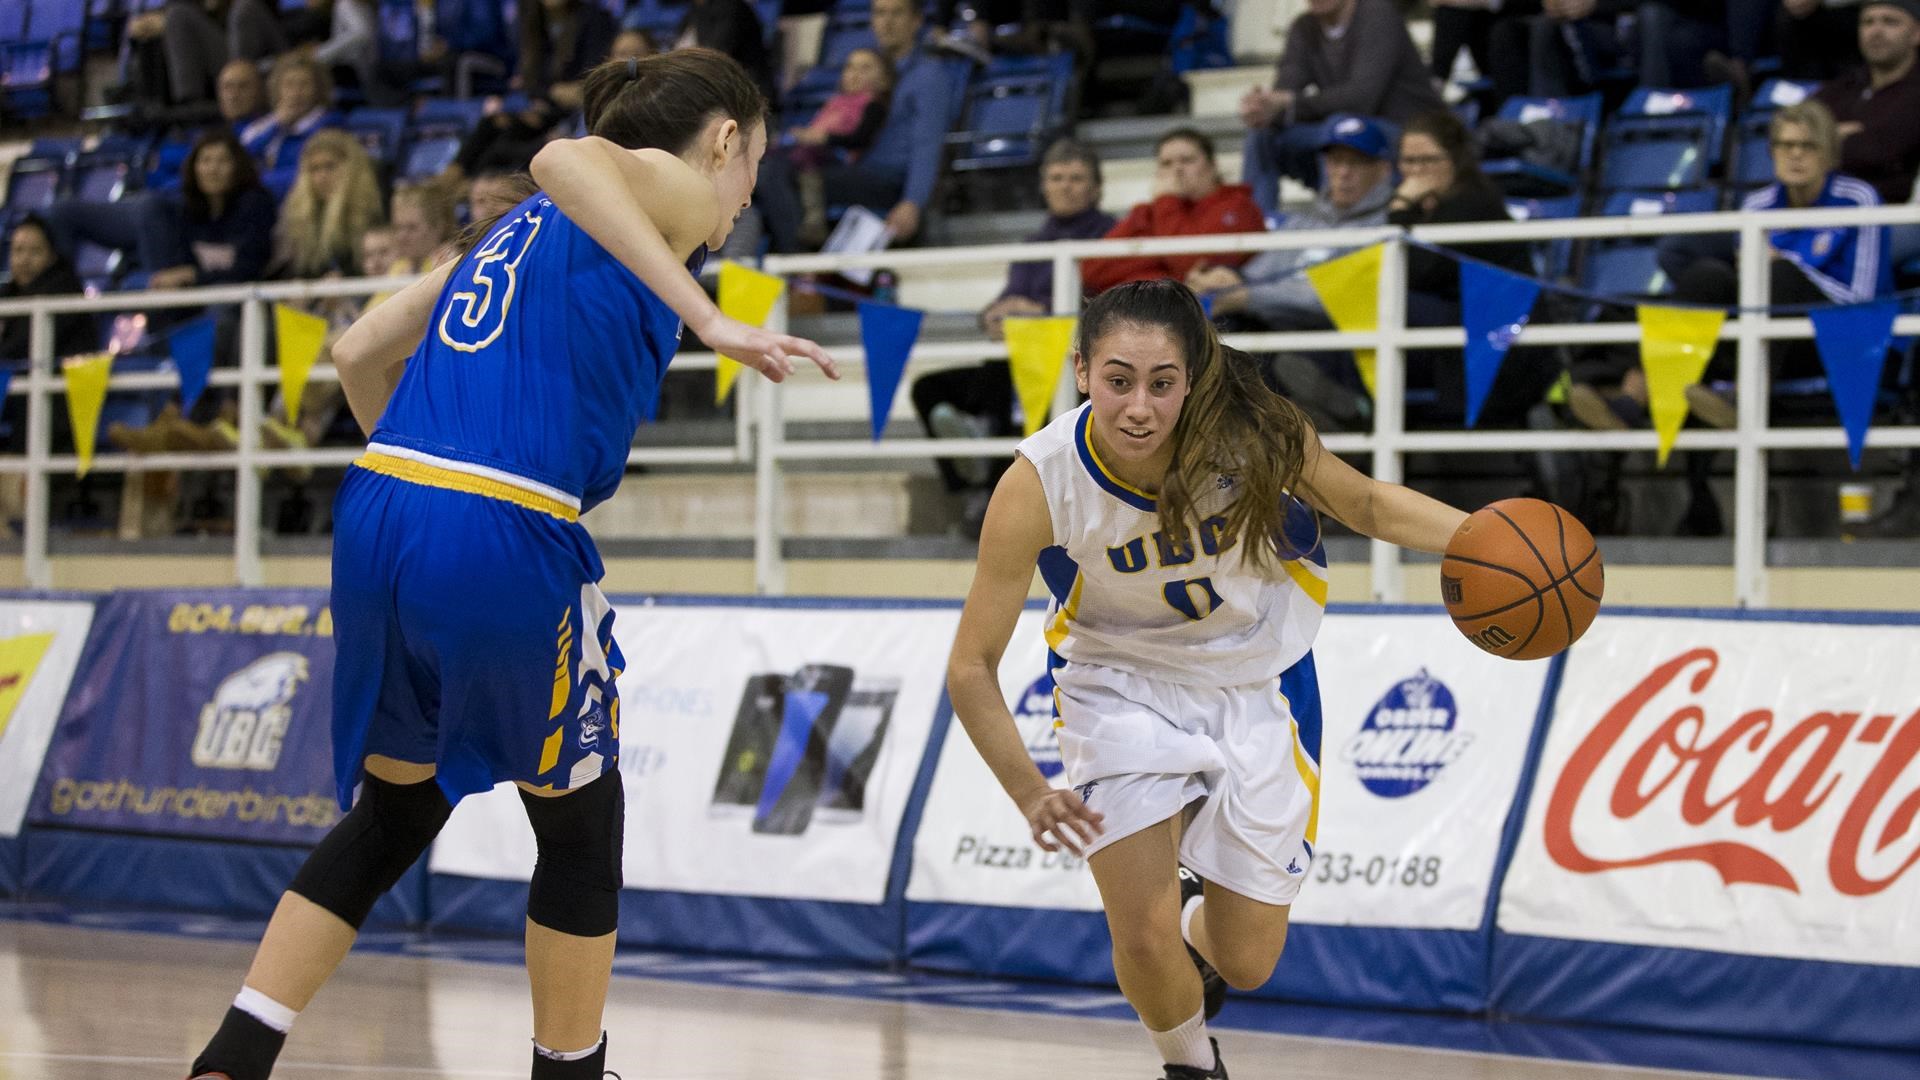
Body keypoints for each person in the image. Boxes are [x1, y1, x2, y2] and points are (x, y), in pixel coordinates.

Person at [183, 48, 835, 1080]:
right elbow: (563, 158)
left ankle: (236, 1052)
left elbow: (357, 352)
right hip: (499, 519)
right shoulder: (653, 179)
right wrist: (707, 319)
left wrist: (421, 487)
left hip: (381, 502)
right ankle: (569, 1073)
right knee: (581, 828)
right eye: (752, 166)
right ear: (722, 142)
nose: (747, 198)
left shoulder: (513, 240)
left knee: (399, 810)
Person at [945, 278, 1466, 1080]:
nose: (1140, 408)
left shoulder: (1254, 434)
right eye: (1118, 380)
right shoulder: (1040, 481)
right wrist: (1028, 791)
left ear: (1192, 378)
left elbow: (1367, 505)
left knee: (1249, 961)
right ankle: (1191, 1064)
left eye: (1162, 383)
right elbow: (970, 665)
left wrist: (1484, 538)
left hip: (1258, 678)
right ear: (1082, 370)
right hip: (1115, 682)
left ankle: (1198, 924)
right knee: (1139, 929)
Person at [912, 138, 1115, 535]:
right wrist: (993, 317)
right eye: (1056, 178)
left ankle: (988, 484)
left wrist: (1044, 313)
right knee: (927, 388)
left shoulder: (1112, 237)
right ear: (1043, 185)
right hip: (1016, 360)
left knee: (1000, 376)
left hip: (1069, 365)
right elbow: (1004, 302)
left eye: (1076, 178)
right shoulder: (1032, 244)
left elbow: (1113, 309)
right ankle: (972, 478)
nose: (1066, 186)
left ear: (1096, 188)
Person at [1184, 115, 1395, 430]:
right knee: (1229, 335)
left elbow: (1331, 298)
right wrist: (1223, 280)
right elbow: (1258, 273)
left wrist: (1248, 295)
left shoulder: (1388, 228)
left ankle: (1340, 411)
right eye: (1336, 161)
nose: (1343, 172)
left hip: (1337, 340)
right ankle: (1312, 415)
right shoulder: (1302, 223)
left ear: (1382, 170)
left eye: (1357, 163)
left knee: (1275, 352)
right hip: (1279, 334)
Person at [753, 0, 958, 251]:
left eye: (897, 13)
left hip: (886, 180)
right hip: (852, 171)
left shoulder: (928, 75)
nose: (887, 22)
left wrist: (913, 202)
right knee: (768, 171)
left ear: (916, 21)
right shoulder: (870, 71)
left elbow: (928, 144)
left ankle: (798, 267)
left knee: (779, 175)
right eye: (880, 13)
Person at [1238, 0, 1442, 219]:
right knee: (1263, 134)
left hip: (1406, 131)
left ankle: (1333, 226)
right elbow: (1286, 90)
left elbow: (1362, 98)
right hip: (1343, 126)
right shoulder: (1304, 27)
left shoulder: (1378, 14)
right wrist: (1263, 106)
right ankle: (1255, 226)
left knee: (1338, 129)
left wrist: (1288, 102)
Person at [1081, 128, 1264, 295]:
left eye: (1187, 160)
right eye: (1166, 163)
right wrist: (1160, 272)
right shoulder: (1153, 211)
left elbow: (1187, 262)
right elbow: (1093, 271)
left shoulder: (1238, 207)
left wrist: (1166, 202)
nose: (1177, 170)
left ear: (1213, 166)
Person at [1814, 0, 1920, 207]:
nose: (1876, 31)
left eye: (1890, 22)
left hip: (1893, 214)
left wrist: (1829, 138)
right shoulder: (1843, 87)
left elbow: (1881, 150)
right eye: (1868, 22)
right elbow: (1798, 129)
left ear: (1917, 33)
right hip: (1825, 209)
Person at [788, 46, 894, 246]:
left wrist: (825, 139)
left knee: (799, 171)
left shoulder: (873, 105)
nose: (855, 74)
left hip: (839, 159)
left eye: (865, 68)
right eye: (850, 67)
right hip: (815, 153)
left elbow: (860, 138)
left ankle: (813, 221)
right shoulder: (835, 102)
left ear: (883, 79)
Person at [272, 129, 386, 280]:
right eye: (314, 169)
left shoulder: (373, 208)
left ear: (351, 167)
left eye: (330, 166)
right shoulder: (298, 214)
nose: (321, 177)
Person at [0, 216, 93, 362]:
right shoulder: (9, 292)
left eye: (35, 251)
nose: (25, 260)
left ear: (52, 256)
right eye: (18, 250)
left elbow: (20, 347)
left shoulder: (64, 290)